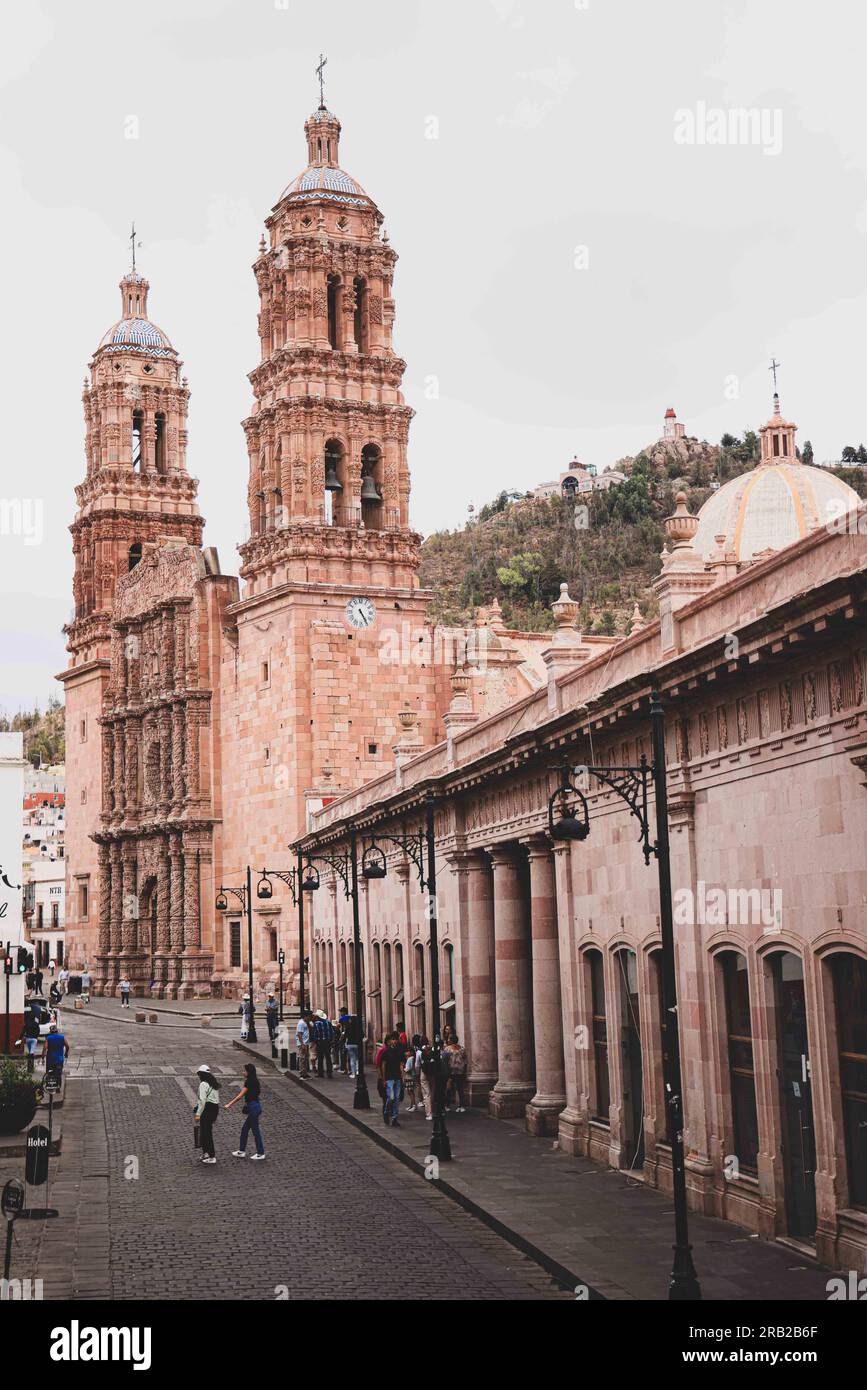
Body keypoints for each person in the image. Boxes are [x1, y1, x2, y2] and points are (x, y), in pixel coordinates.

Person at [225, 1062, 266, 1160]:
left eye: (244, 1071)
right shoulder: (255, 1081)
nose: (243, 1072)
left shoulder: (249, 1082)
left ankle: (260, 1153)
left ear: (248, 1072)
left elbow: (240, 1096)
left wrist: (229, 1104)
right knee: (245, 1129)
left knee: (255, 1131)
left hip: (253, 1108)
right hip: (256, 1106)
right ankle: (241, 1151)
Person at [193, 1064, 221, 1164]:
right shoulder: (213, 1083)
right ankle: (206, 1153)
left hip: (207, 1109)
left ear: (201, 1074)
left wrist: (198, 1114)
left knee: (207, 1133)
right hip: (214, 1108)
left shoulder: (203, 1084)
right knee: (205, 1131)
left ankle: (212, 1156)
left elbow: (202, 1100)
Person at [379, 1032, 404, 1127]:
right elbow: (383, 1065)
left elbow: (401, 1065)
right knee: (391, 1097)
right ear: (389, 1041)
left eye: (395, 1039)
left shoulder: (399, 1051)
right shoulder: (386, 1051)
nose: (394, 1041)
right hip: (389, 1077)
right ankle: (386, 1112)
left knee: (397, 1099)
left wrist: (402, 1078)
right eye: (392, 1039)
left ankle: (394, 1118)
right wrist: (383, 1079)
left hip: (397, 1077)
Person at [445, 1032, 468, 1112]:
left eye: (449, 1039)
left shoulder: (447, 1049)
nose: (448, 1040)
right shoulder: (462, 1048)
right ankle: (461, 1106)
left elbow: (445, 1060)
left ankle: (447, 1105)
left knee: (449, 1088)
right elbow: (465, 1061)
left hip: (451, 1071)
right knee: (459, 1088)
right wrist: (465, 1070)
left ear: (451, 1040)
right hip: (460, 1071)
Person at [313, 1011, 334, 1078]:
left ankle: (320, 1073)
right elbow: (332, 1032)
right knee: (328, 1057)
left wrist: (315, 1041)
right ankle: (329, 1073)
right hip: (327, 1042)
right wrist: (331, 1040)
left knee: (320, 1058)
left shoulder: (316, 1023)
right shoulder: (328, 1022)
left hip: (320, 1042)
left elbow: (315, 1034)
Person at [403, 1040, 420, 1112]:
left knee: (410, 1092)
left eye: (407, 1051)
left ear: (411, 1052)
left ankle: (413, 1105)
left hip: (409, 1078)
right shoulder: (411, 1058)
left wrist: (403, 1068)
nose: (406, 1053)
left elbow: (408, 1069)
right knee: (409, 1092)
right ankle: (411, 1105)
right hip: (410, 1077)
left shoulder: (410, 1059)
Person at [295, 1011, 310, 1077]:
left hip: (305, 1042)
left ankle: (305, 1073)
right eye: (309, 1016)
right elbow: (299, 1034)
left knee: (305, 1058)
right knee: (303, 1058)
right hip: (303, 1043)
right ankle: (302, 1074)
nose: (309, 1018)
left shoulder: (305, 1022)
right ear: (305, 1016)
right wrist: (302, 1044)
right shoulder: (301, 1023)